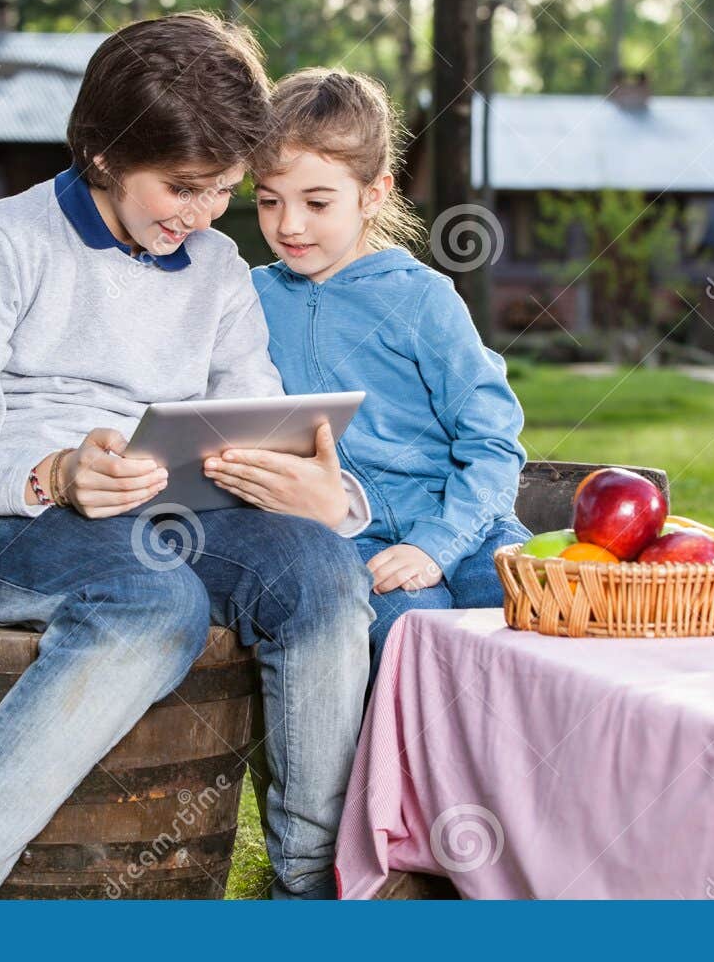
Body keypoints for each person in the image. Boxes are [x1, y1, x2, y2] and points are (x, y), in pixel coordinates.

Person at [0, 15, 374, 901]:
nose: (204, 214)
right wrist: (56, 472)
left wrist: (319, 490)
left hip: (165, 515)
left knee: (324, 569)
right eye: (181, 187)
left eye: (220, 190)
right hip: (2, 524)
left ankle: (314, 884)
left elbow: (257, 416)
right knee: (152, 599)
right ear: (103, 154)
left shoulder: (216, 270)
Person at [206, 68, 529, 686]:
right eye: (269, 200)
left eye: (317, 202)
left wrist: (437, 545)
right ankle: (414, 783)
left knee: (524, 626)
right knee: (417, 636)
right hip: (352, 545)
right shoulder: (250, 297)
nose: (288, 225)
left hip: (468, 525)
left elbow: (493, 440)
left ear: (374, 195)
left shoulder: (422, 299)